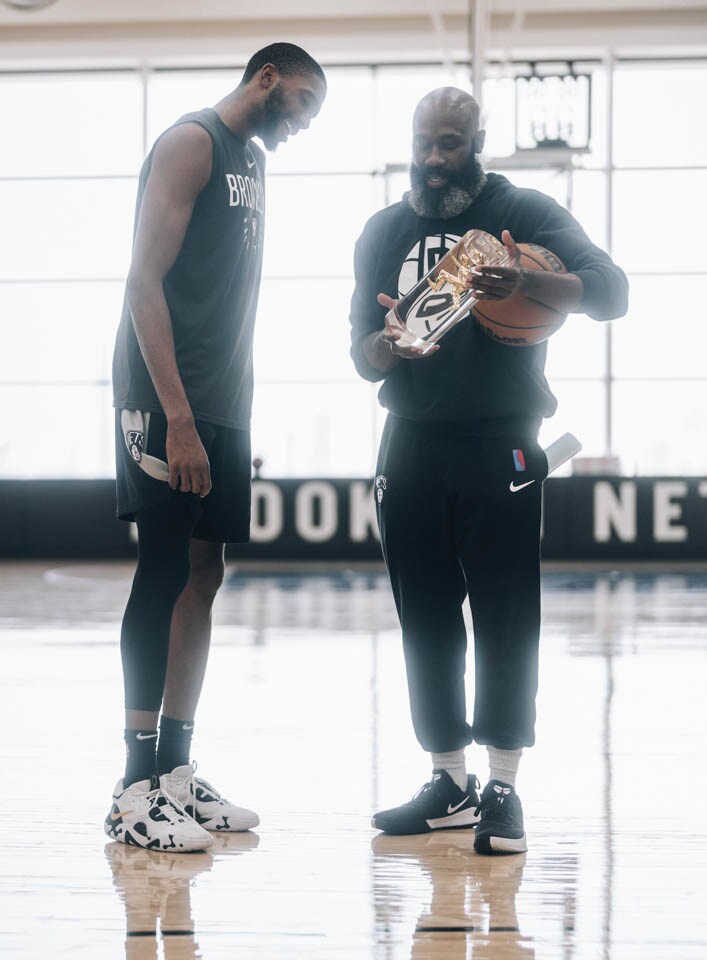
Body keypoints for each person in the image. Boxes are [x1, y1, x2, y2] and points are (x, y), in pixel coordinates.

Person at [350, 87, 627, 855]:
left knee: (505, 614)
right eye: (426, 143)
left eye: (453, 142)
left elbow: (613, 294)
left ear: (479, 141)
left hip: (503, 440)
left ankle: (503, 786)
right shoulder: (383, 230)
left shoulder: (526, 213)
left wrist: (528, 282)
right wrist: (390, 343)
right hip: (407, 440)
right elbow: (360, 357)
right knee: (426, 617)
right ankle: (448, 781)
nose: (437, 159)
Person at [107, 43, 326, 852]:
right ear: (267, 76)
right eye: (301, 102)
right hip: (168, 398)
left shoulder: (253, 164)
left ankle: (173, 773)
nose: (302, 122)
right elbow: (143, 282)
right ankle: (132, 791)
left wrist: (224, 410)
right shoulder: (191, 141)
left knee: (206, 570)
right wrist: (179, 416)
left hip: (222, 400)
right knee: (164, 568)